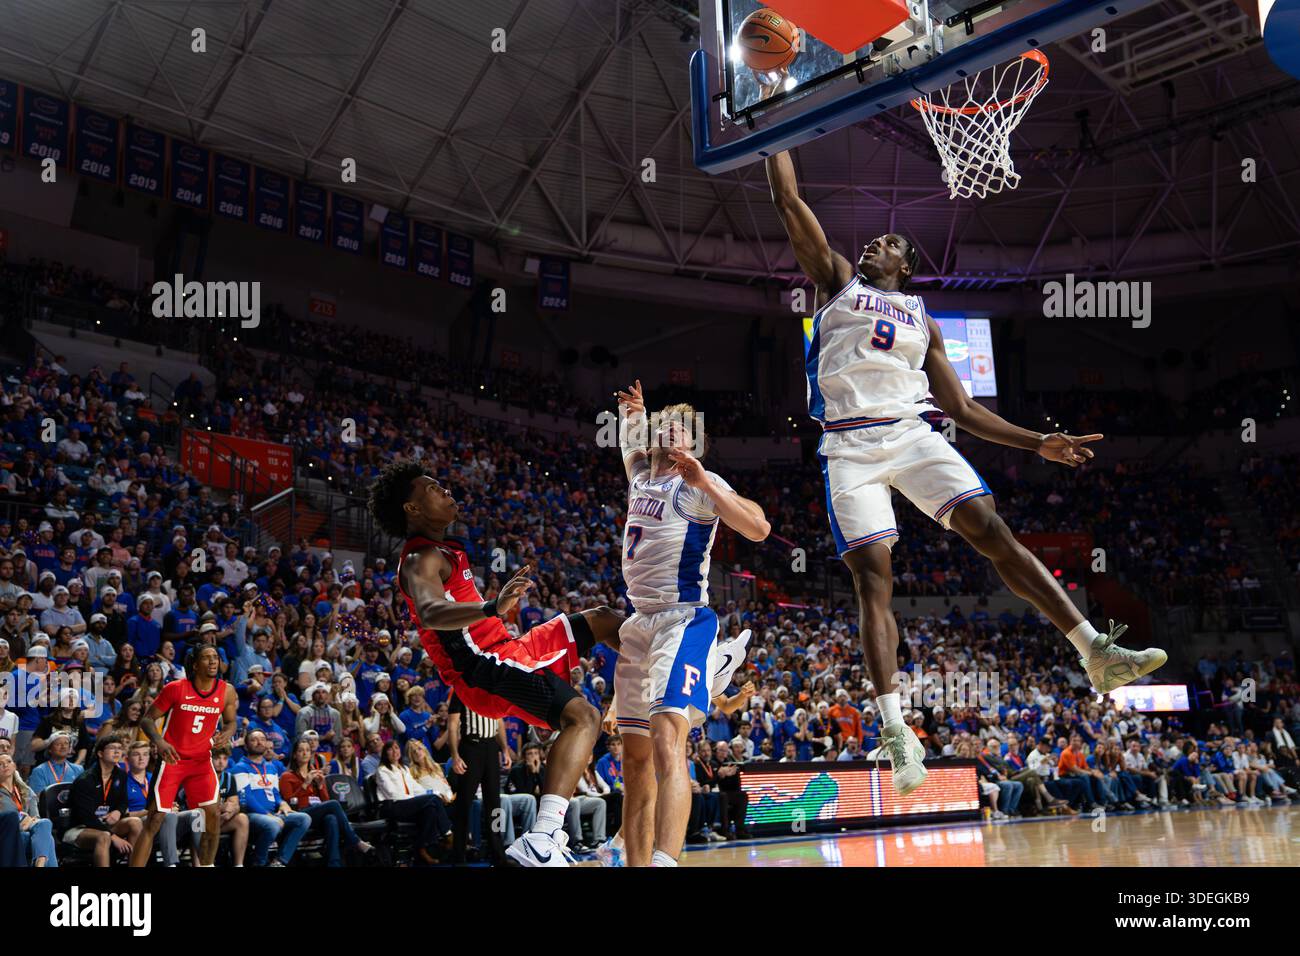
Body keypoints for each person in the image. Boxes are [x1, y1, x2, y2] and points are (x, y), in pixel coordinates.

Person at [760, 111, 1167, 796]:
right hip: (850, 449)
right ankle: (894, 731)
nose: (873, 246)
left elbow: (965, 412)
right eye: (874, 240)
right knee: (873, 579)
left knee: (992, 530)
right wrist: (770, 131)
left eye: (888, 243)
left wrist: (1040, 441)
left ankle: (1094, 650)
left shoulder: (924, 321)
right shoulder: (836, 281)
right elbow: (788, 199)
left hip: (915, 434)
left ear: (907, 265)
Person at [368, 459, 625, 866]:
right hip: (482, 669)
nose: (445, 490)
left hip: (507, 649)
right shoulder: (420, 559)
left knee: (604, 618)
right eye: (432, 488)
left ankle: (676, 666)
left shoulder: (445, 550)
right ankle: (542, 837)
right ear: (412, 509)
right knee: (584, 717)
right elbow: (432, 612)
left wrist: (495, 612)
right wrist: (492, 605)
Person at [610, 379, 769, 867]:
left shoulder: (697, 482)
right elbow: (630, 447)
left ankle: (667, 859)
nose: (680, 436)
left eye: (688, 431)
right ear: (659, 434)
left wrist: (705, 485)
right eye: (672, 427)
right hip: (638, 624)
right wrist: (634, 416)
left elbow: (758, 527)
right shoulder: (640, 474)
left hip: (682, 622)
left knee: (667, 742)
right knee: (633, 758)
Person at [130, 644, 237, 867]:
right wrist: (159, 742)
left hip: (201, 762)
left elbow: (231, 722)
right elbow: (147, 720)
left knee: (213, 816)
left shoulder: (226, 690)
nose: (213, 662)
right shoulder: (176, 688)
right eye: (207, 658)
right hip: (173, 760)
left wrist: (227, 733)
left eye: (215, 657)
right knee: (155, 820)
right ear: (195, 664)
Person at [280, 738, 374, 866]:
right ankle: (355, 841)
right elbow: (289, 804)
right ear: (295, 755)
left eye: (307, 750)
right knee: (334, 804)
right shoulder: (286, 776)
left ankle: (334, 864)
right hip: (300, 814)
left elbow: (325, 801)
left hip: (317, 812)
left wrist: (320, 786)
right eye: (301, 750)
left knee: (331, 819)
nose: (305, 753)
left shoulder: (315, 774)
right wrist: (305, 784)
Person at [231, 728, 312, 866]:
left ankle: (279, 861)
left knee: (304, 818)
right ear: (246, 745)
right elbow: (248, 799)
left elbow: (275, 793)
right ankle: (258, 862)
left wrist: (281, 803)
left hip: (273, 814)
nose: (259, 742)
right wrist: (268, 815)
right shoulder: (240, 768)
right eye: (254, 740)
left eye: (262, 739)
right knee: (273, 825)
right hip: (252, 815)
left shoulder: (271, 768)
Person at [447, 690, 509, 865]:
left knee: (494, 804)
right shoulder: (461, 692)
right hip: (471, 747)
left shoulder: (492, 691)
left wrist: (504, 749)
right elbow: (452, 725)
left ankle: (498, 855)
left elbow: (499, 722)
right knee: (464, 803)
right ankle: (458, 856)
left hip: (490, 747)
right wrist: (455, 755)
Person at [65, 733, 141, 866]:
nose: (117, 751)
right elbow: (86, 818)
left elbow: (123, 801)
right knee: (104, 837)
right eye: (112, 748)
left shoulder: (121, 775)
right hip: (80, 828)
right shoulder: (85, 780)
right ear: (100, 753)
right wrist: (113, 836)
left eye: (119, 748)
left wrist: (118, 811)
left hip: (105, 824)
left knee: (135, 822)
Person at [374, 738, 452, 864]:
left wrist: (434, 793)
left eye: (397, 748)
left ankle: (422, 849)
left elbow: (417, 789)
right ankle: (448, 835)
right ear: (385, 753)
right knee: (432, 800)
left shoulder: (404, 769)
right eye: (390, 749)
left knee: (430, 809)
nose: (395, 751)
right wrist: (418, 800)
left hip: (408, 805)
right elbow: (392, 793)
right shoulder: (382, 770)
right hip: (392, 806)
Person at [0, 752, 57, 865]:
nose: (5, 765)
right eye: (0, 764)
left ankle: (39, 863)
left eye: (8, 761)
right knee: (47, 839)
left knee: (45, 823)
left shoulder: (26, 790)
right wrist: (23, 824)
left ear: (14, 766)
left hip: (29, 829)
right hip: (11, 836)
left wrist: (29, 821)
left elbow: (36, 817)